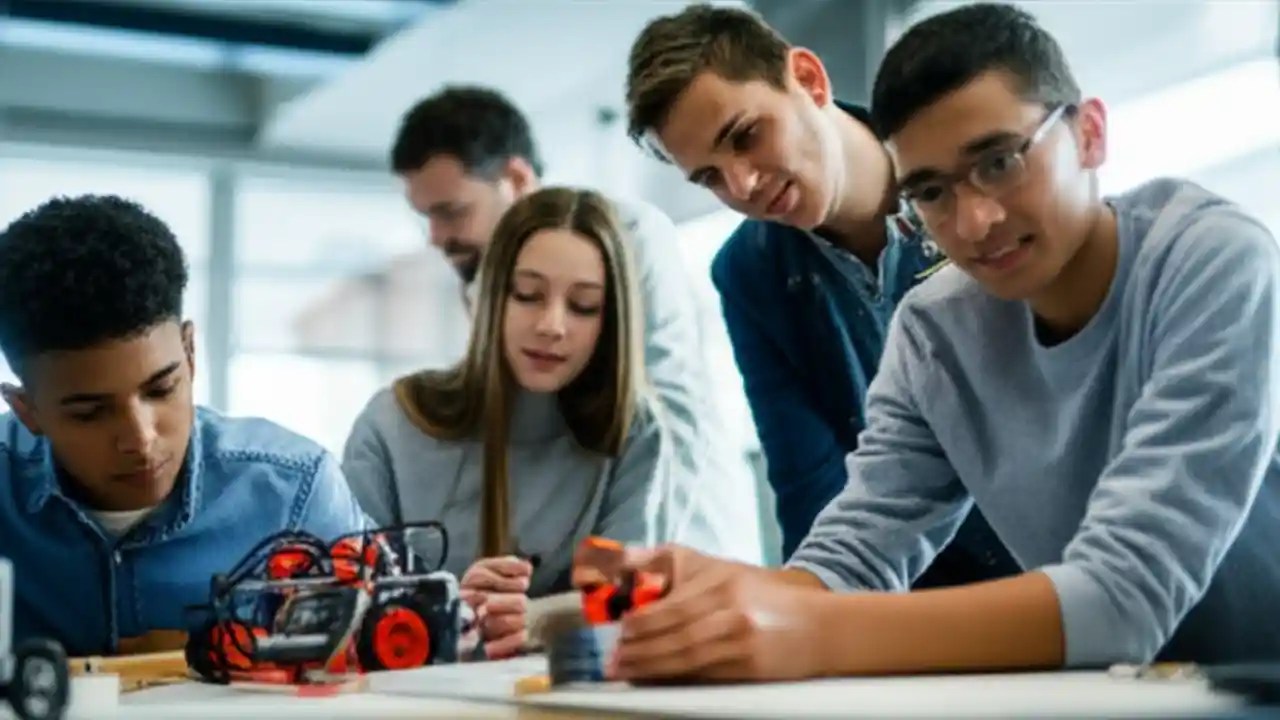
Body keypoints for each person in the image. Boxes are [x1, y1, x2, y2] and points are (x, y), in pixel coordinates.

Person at [591, 2, 1280, 681]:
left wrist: (806, 630)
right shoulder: (932, 328)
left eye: (1001, 162)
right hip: (1116, 689)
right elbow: (850, 559)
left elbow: (1124, 596)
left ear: (1089, 133)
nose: (975, 221)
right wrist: (714, 592)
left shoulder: (1209, 257)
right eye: (930, 192)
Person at [623, 4, 1015, 582]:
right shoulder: (748, 274)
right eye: (708, 176)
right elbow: (811, 489)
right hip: (916, 605)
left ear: (808, 79)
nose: (741, 185)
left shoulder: (965, 173)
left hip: (1073, 561)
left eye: (746, 136)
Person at [385, 86, 754, 565]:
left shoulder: (625, 237)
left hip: (679, 544)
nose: (437, 238)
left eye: (451, 211)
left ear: (516, 179)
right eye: (425, 218)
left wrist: (617, 578)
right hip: (576, 565)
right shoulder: (481, 284)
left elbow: (667, 412)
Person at [0, 195, 369, 656]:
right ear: (27, 409)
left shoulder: (295, 493)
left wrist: (223, 658)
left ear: (191, 354)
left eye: (160, 389)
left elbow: (397, 654)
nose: (140, 438)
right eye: (90, 412)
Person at [343, 187, 694, 659]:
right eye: (528, 295)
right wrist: (447, 612)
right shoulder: (392, 426)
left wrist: (536, 620)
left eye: (584, 306)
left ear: (611, 320)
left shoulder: (632, 431)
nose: (552, 325)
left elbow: (626, 604)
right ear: (491, 297)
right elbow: (343, 609)